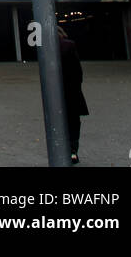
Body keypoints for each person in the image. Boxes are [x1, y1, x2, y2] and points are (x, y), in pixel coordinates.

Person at [58, 27, 88, 163]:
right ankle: (72, 151)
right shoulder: (69, 45)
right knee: (73, 122)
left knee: (61, 121)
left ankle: (62, 149)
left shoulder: (47, 47)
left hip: (58, 91)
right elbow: (78, 71)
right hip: (72, 90)